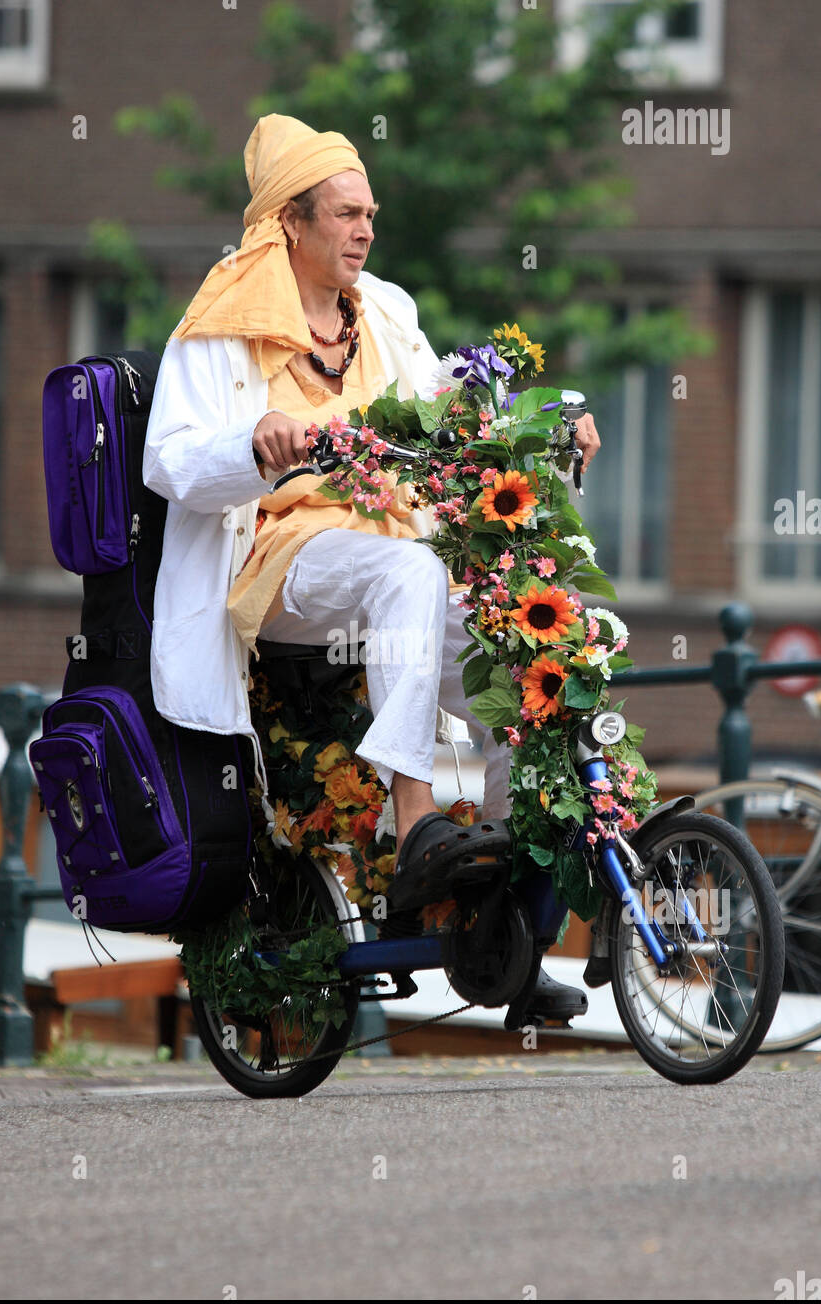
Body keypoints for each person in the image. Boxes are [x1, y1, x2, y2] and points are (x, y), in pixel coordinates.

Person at [143, 114, 601, 1021]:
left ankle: (508, 935)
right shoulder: (221, 323)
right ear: (290, 222)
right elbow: (170, 462)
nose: (365, 229)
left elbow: (448, 407)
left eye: (370, 213)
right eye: (346, 213)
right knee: (409, 575)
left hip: (393, 552)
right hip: (281, 563)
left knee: (532, 673)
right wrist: (253, 444)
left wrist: (553, 417)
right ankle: (415, 815)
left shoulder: (383, 311)